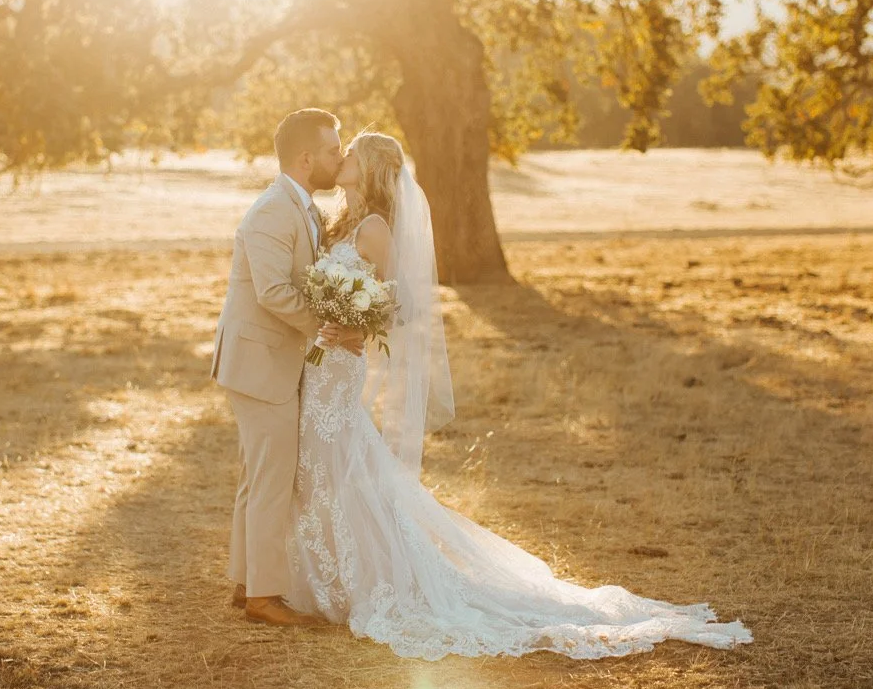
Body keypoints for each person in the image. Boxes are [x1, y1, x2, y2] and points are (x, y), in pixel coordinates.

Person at [282, 130, 754, 660]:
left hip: (340, 363)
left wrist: (356, 329)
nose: (342, 158)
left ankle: (363, 582)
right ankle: (329, 575)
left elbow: (402, 304)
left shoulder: (374, 227)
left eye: (351, 153)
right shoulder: (339, 222)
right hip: (320, 364)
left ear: (369, 168)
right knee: (327, 467)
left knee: (342, 464)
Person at [209, 108, 362, 626]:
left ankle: (247, 582)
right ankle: (265, 597)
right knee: (272, 478)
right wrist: (327, 327)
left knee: (258, 476)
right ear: (305, 158)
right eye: (333, 150)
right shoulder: (274, 210)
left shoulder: (304, 207)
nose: (339, 158)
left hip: (268, 359)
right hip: (259, 362)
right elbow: (273, 291)